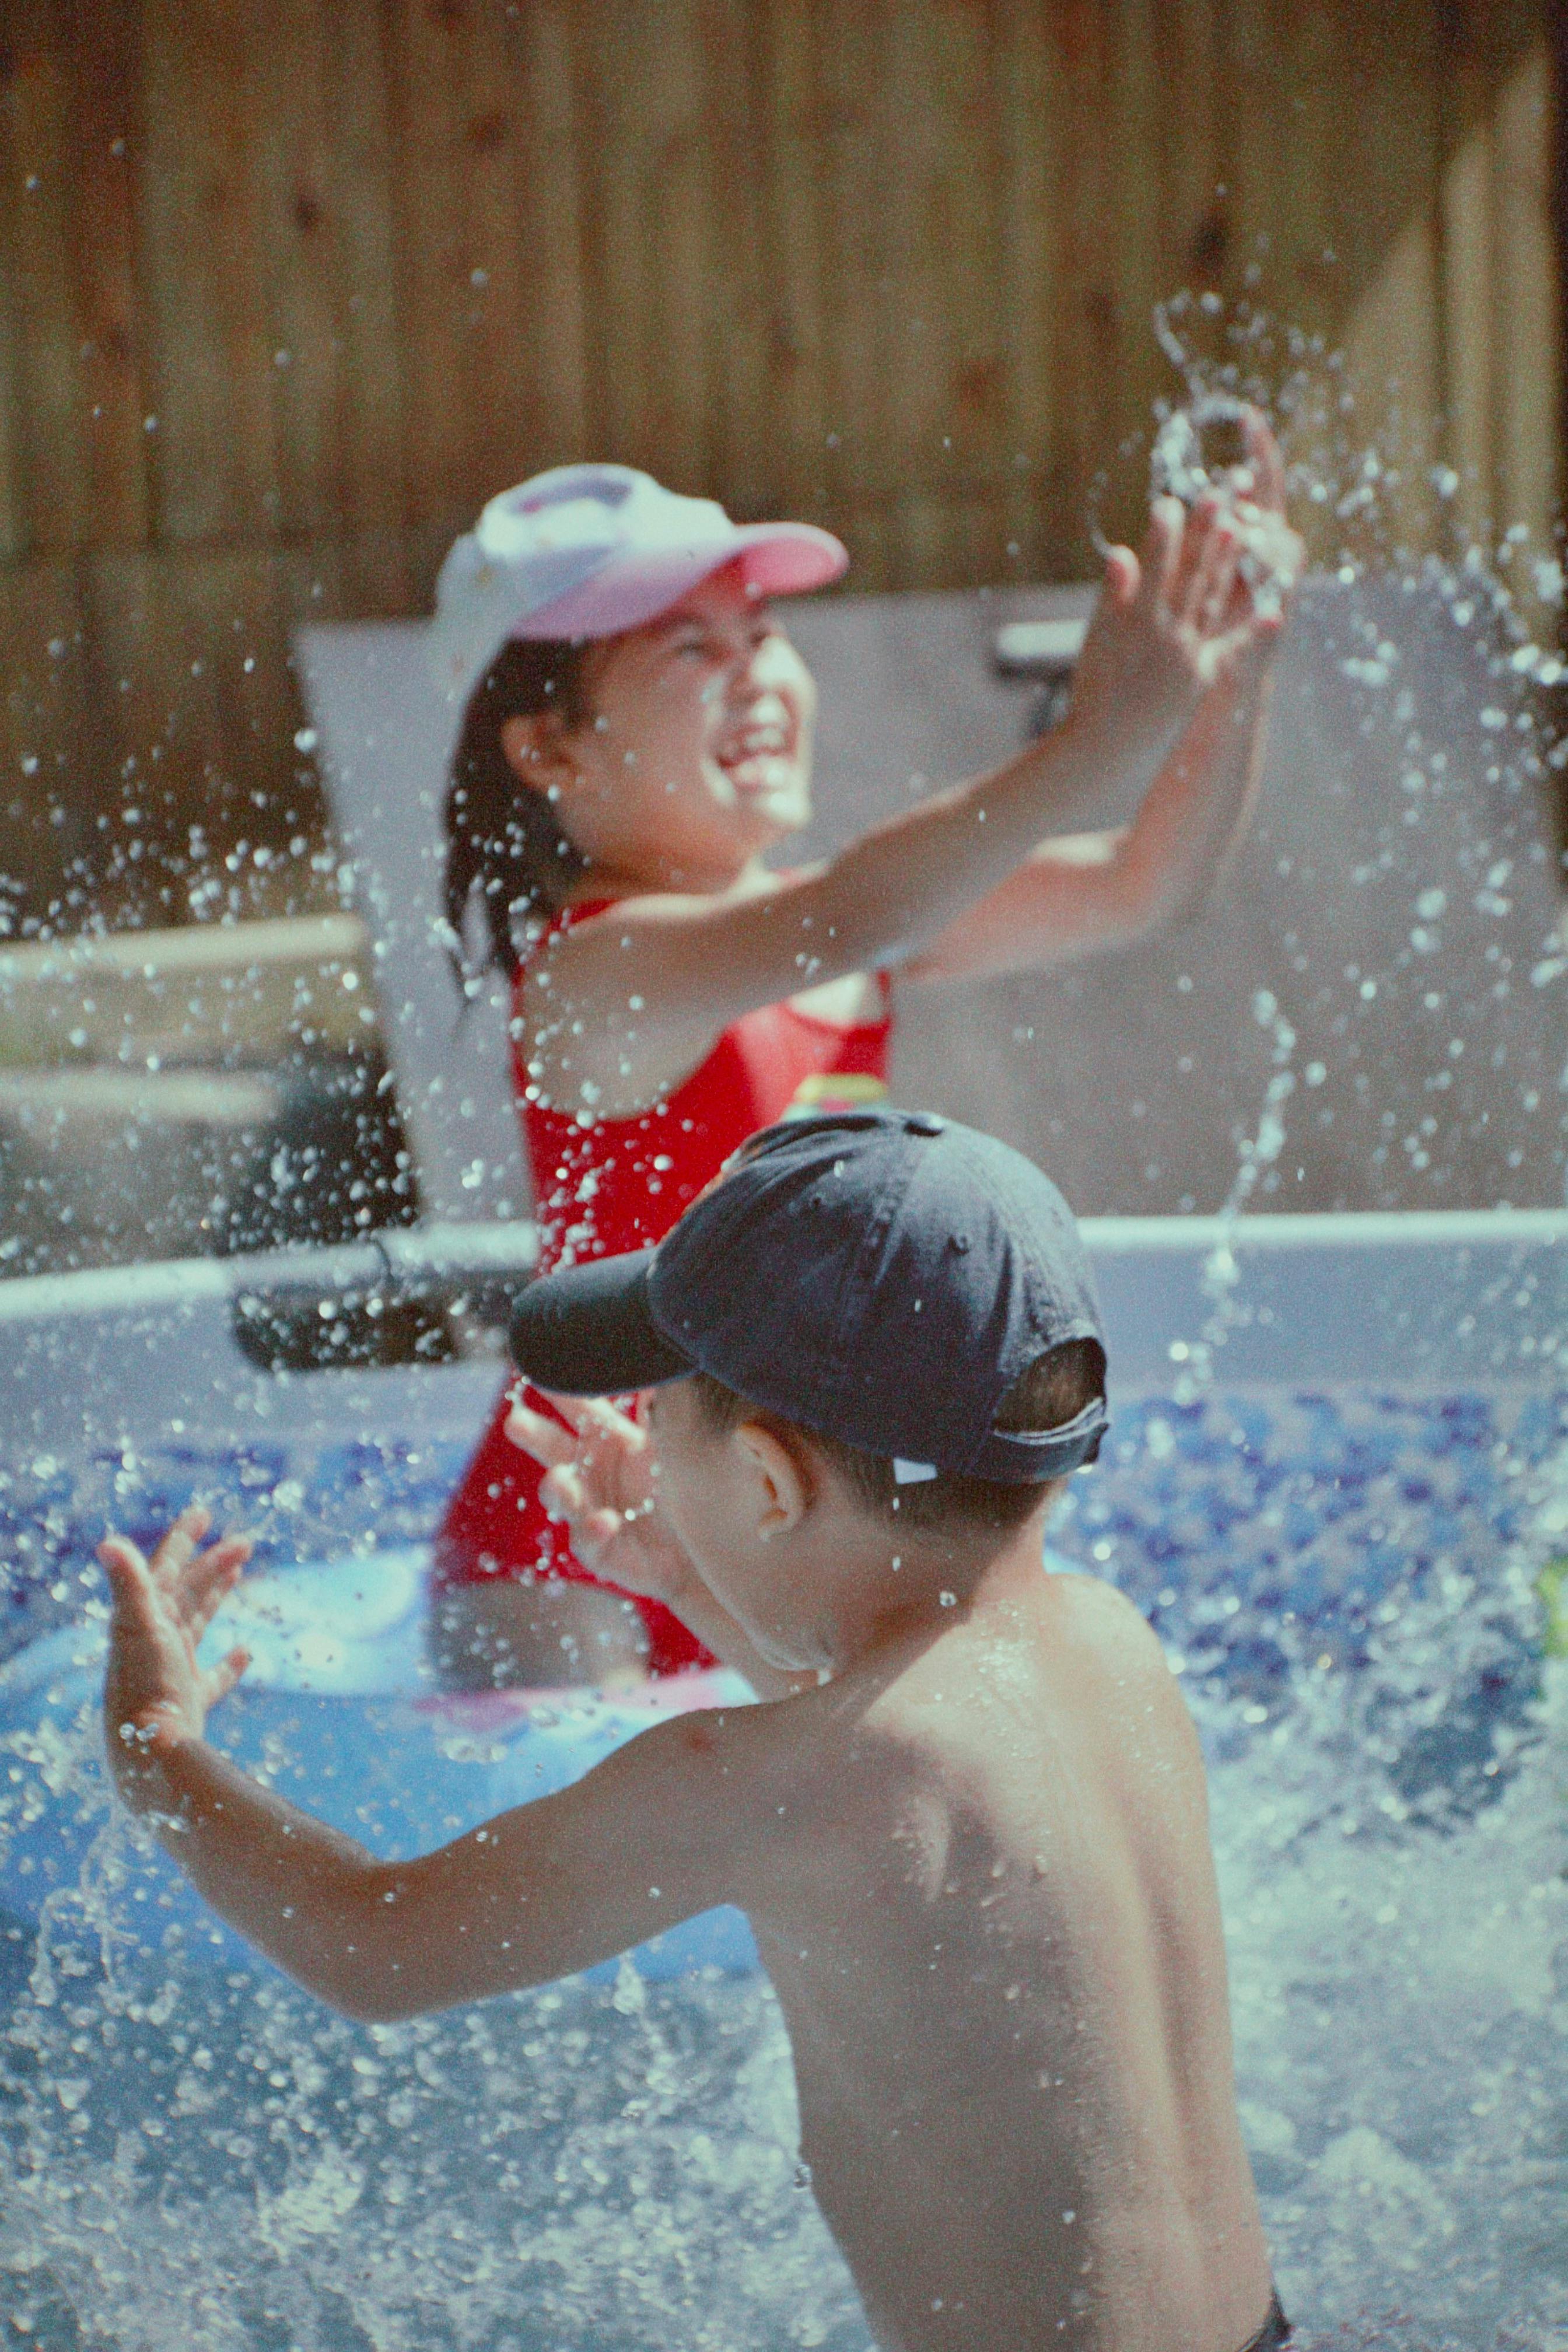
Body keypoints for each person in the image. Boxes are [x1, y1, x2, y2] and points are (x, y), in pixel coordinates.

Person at [101, 1108, 1289, 2352]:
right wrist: (686, 1576)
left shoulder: (750, 1782)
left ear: (771, 1487)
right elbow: (873, 1741)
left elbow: (373, 1948)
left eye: (661, 1408)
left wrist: (158, 1747)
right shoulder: (1110, 1648)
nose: (647, 1436)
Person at [428, 440, 1302, 1690]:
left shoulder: (827, 939)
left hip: (762, 1524)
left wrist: (1235, 664)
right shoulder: (593, 977)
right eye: (689, 650)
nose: (755, 677)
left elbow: (1140, 885)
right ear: (548, 752)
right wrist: (1100, 734)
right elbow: (852, 914)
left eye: (760, 634)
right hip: (567, 1555)